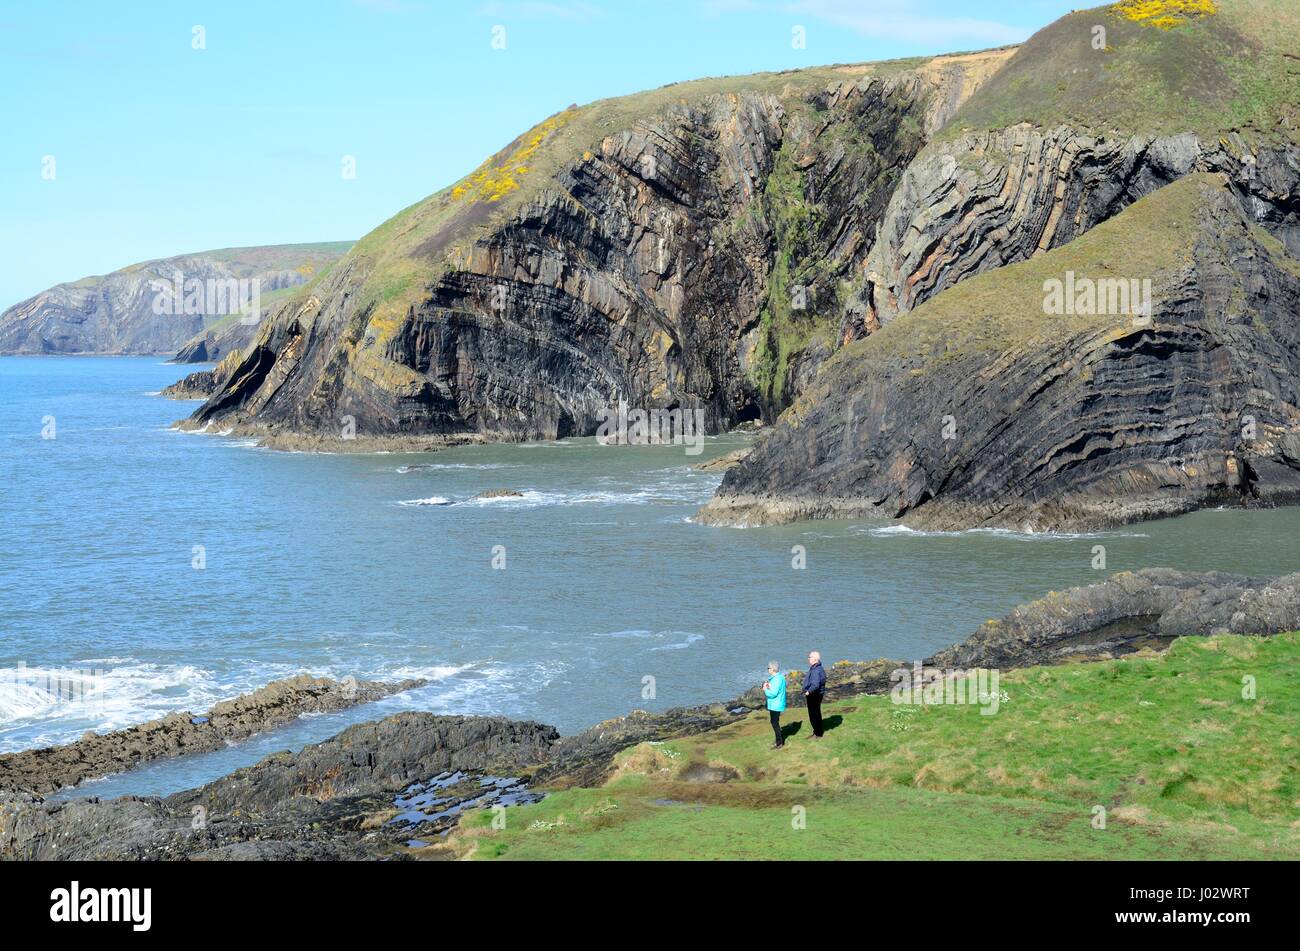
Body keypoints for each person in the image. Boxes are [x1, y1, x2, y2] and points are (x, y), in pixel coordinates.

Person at [762, 661, 787, 749]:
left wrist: (765, 689)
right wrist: (769, 686)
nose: (768, 669)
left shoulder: (777, 679)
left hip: (776, 704)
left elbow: (773, 693)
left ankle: (779, 743)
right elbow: (777, 689)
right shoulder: (779, 677)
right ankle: (778, 740)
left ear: (773, 669)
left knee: (774, 723)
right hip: (776, 703)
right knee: (775, 722)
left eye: (768, 668)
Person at [804, 650, 826, 739]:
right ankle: (817, 732)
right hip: (817, 694)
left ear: (815, 659)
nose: (808, 658)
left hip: (814, 694)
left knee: (814, 714)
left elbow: (816, 684)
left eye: (810, 657)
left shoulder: (816, 669)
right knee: (815, 713)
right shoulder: (817, 667)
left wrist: (808, 691)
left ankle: (818, 733)